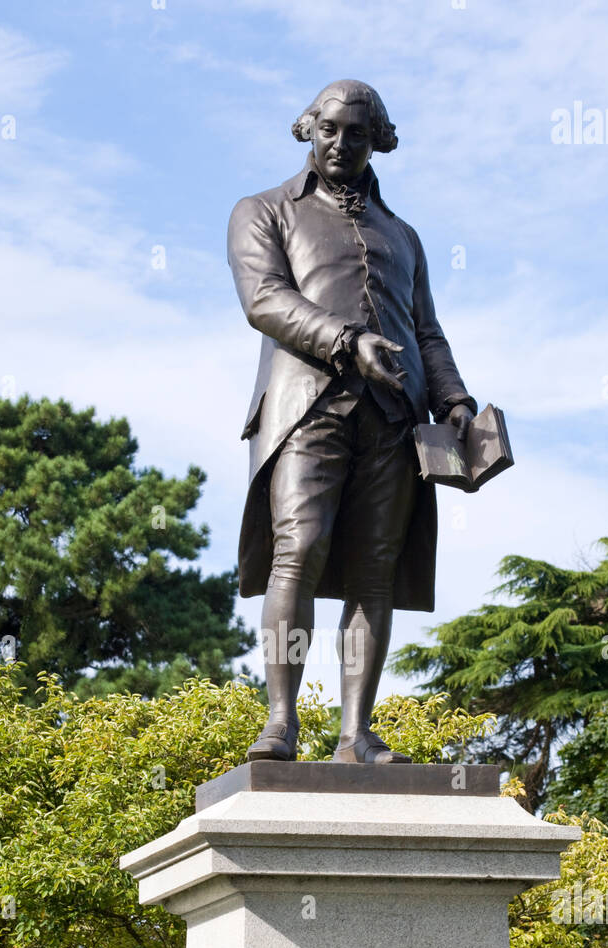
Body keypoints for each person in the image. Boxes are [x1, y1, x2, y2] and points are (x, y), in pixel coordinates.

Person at [228, 79, 476, 763]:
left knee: (375, 573)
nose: (341, 143)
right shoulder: (263, 211)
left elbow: (427, 331)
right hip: (307, 407)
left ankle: (355, 736)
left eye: (357, 133)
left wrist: (454, 399)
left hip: (395, 417)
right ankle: (280, 723)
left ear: (378, 141)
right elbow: (265, 300)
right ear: (308, 128)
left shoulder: (403, 236)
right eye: (330, 128)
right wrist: (346, 341)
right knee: (299, 550)